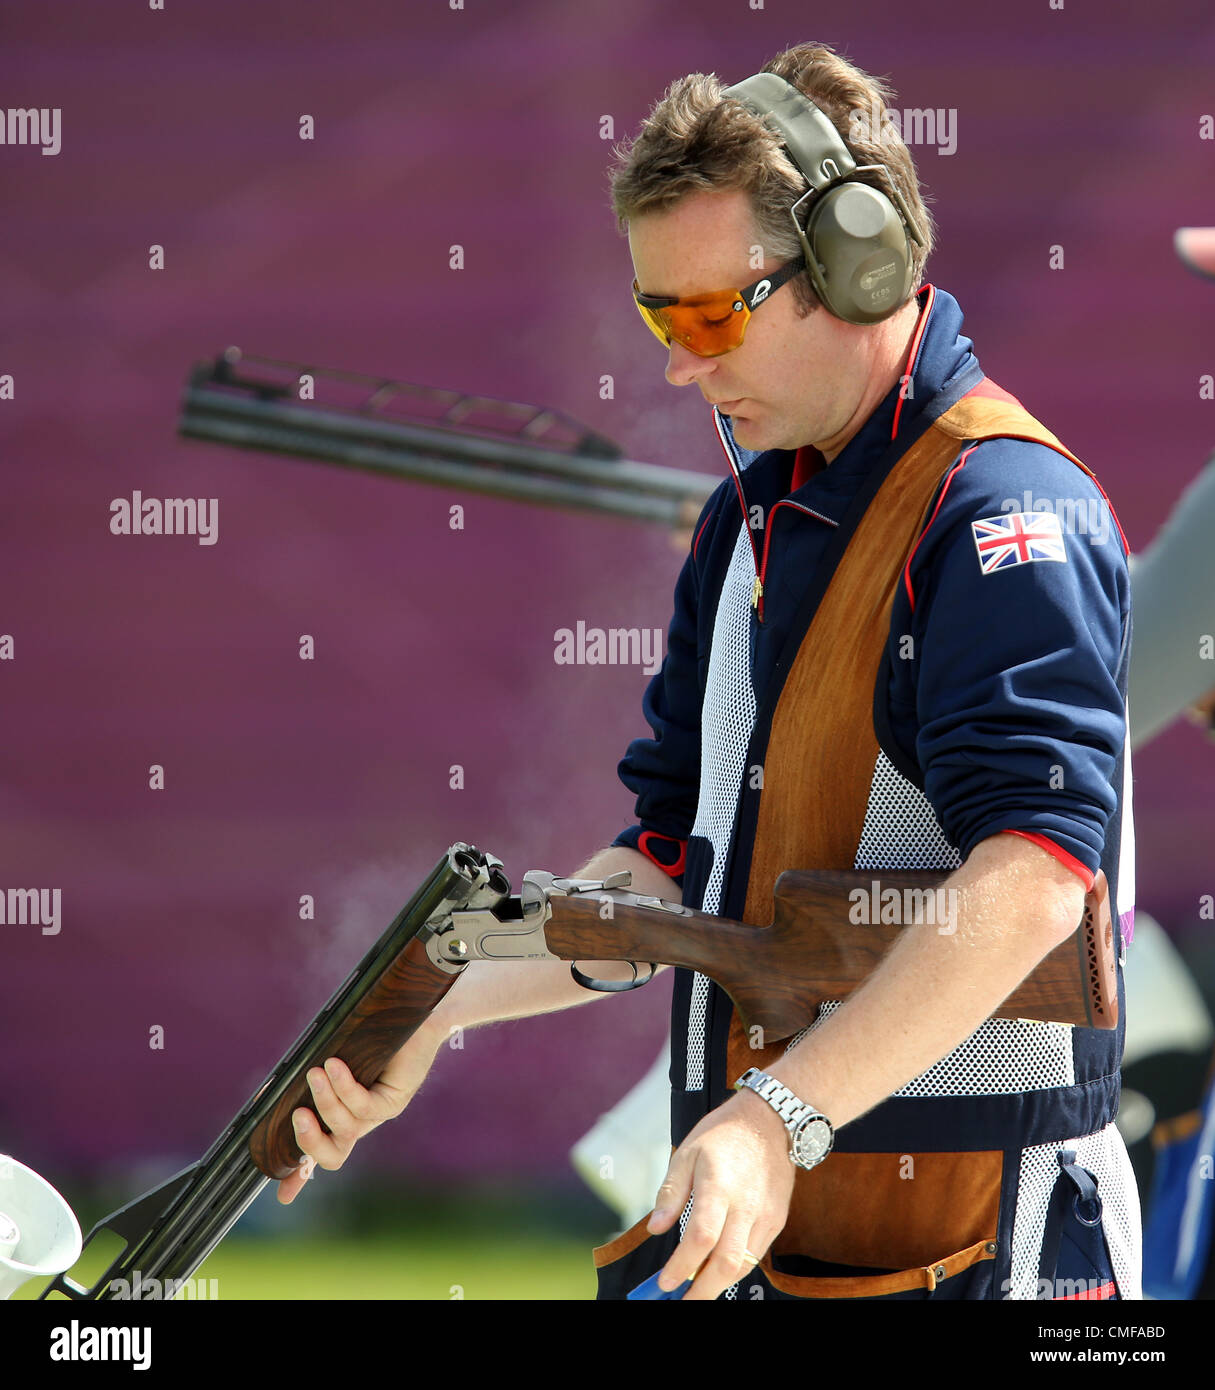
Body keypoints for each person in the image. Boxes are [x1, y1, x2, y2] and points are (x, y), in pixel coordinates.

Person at [275, 42, 1140, 1302]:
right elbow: (670, 869)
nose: (678, 365)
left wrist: (777, 1114)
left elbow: (1032, 880)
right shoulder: (749, 522)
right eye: (654, 317)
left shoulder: (1003, 508)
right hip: (778, 1230)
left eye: (710, 315)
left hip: (983, 1242)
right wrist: (440, 1006)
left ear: (857, 264)